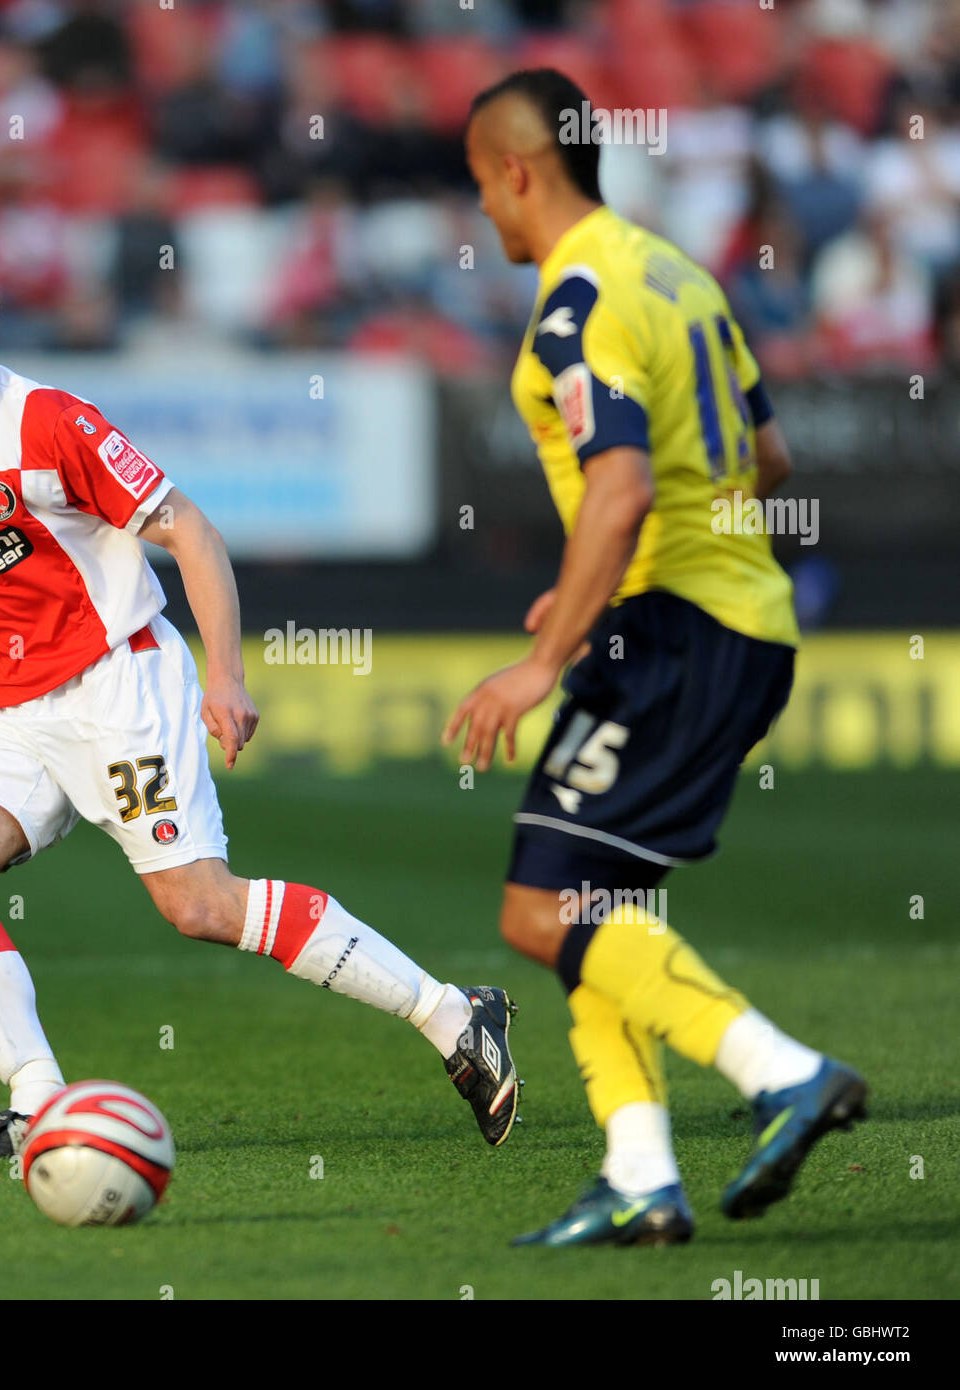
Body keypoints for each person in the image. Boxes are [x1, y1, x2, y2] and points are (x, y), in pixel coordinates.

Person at [0, 222, 520, 1160]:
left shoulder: (49, 424)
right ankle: (37, 1100)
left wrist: (223, 676)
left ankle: (450, 1014)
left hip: (117, 683)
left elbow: (191, 531)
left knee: (200, 909)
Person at [444, 71, 866, 1247]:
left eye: (482, 183)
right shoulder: (677, 272)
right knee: (599, 901)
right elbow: (765, 457)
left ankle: (779, 1071)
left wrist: (548, 652)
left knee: (539, 912)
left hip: (670, 633)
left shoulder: (575, 301)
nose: (483, 210)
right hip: (734, 618)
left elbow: (621, 482)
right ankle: (639, 1175)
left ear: (518, 171)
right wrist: (602, 566)